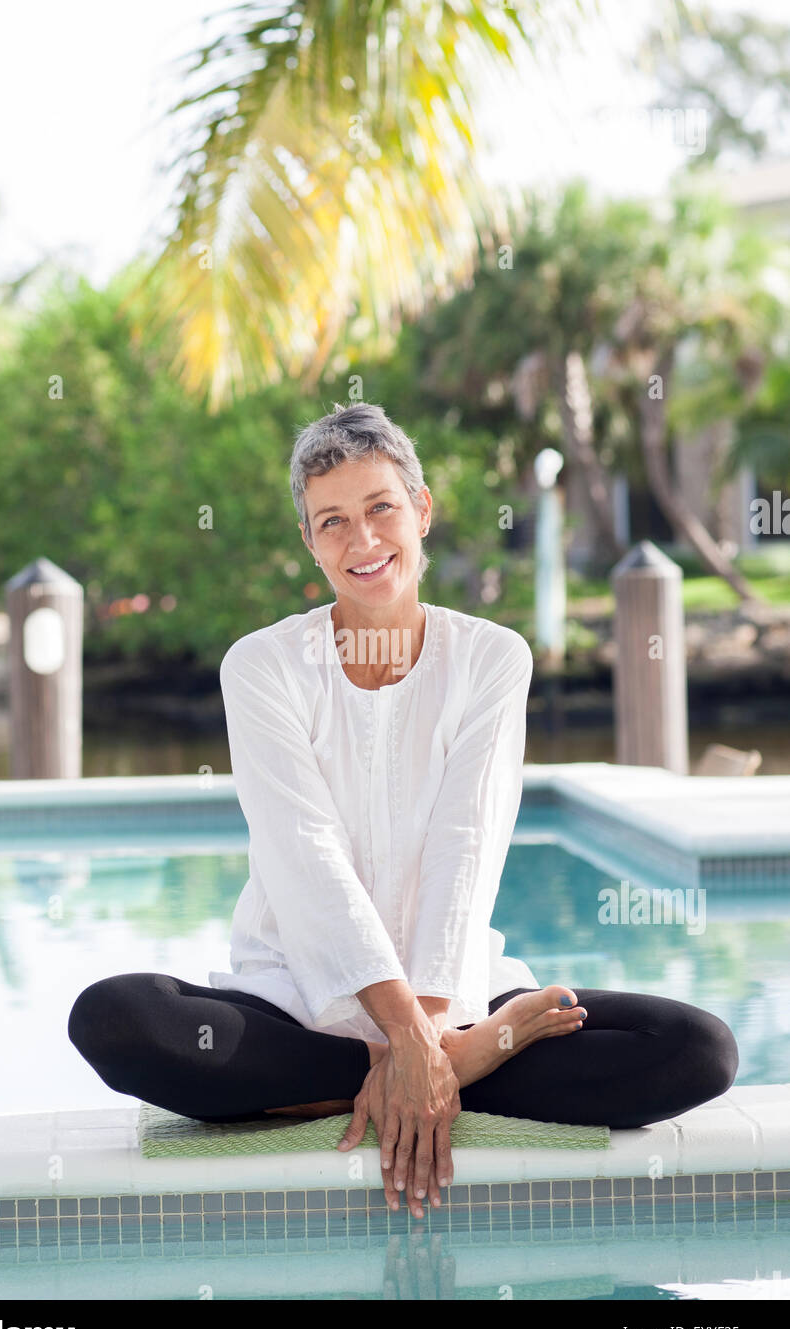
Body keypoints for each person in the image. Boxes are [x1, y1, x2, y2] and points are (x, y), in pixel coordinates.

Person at [68, 403, 739, 1220]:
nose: (362, 540)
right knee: (116, 1020)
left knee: (696, 1049)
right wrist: (422, 1050)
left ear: (421, 510)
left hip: (457, 995)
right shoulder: (263, 666)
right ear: (310, 542)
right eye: (332, 522)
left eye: (380, 508)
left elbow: (467, 844)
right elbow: (306, 857)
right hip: (296, 1007)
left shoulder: (490, 658)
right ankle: (455, 1067)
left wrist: (429, 1027)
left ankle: (376, 1076)